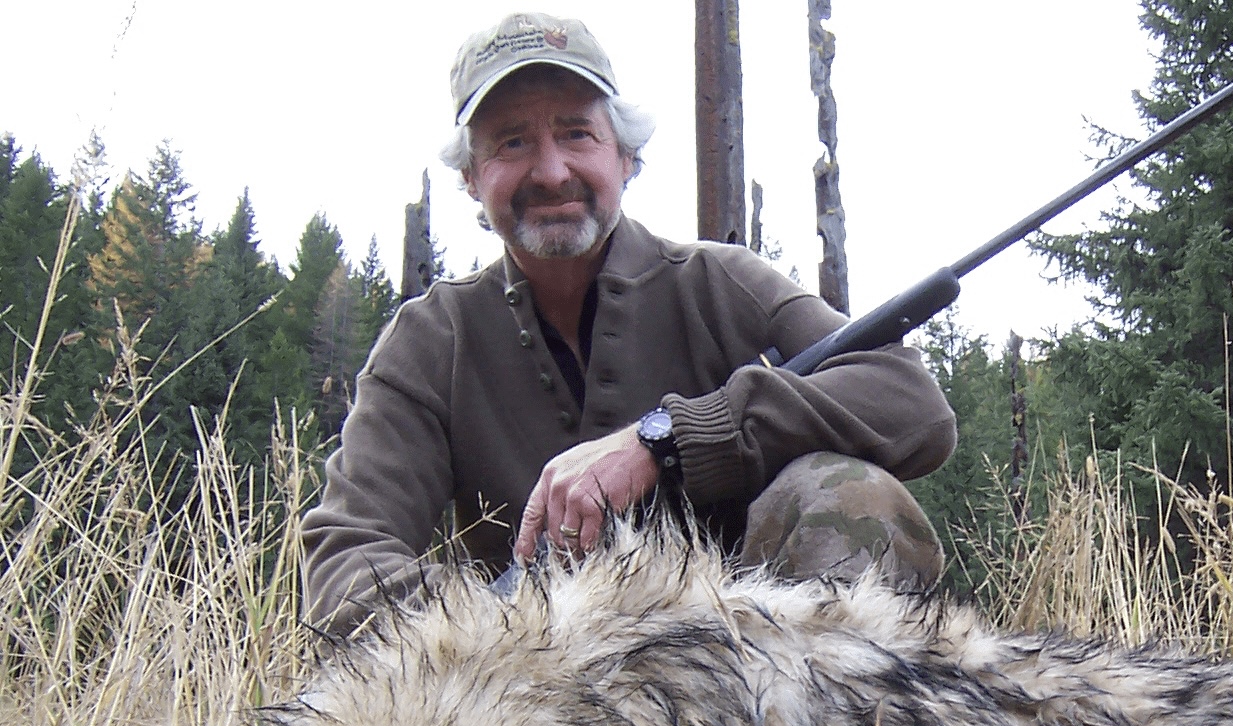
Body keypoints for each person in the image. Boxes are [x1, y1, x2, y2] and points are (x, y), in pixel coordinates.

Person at [301, 13, 957, 633]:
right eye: (512, 142)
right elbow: (346, 563)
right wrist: (517, 629)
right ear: (472, 177)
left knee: (853, 496)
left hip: (757, 673)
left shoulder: (717, 282)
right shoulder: (431, 340)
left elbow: (911, 406)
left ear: (626, 156)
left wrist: (667, 442)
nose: (552, 170)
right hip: (530, 693)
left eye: (576, 134)